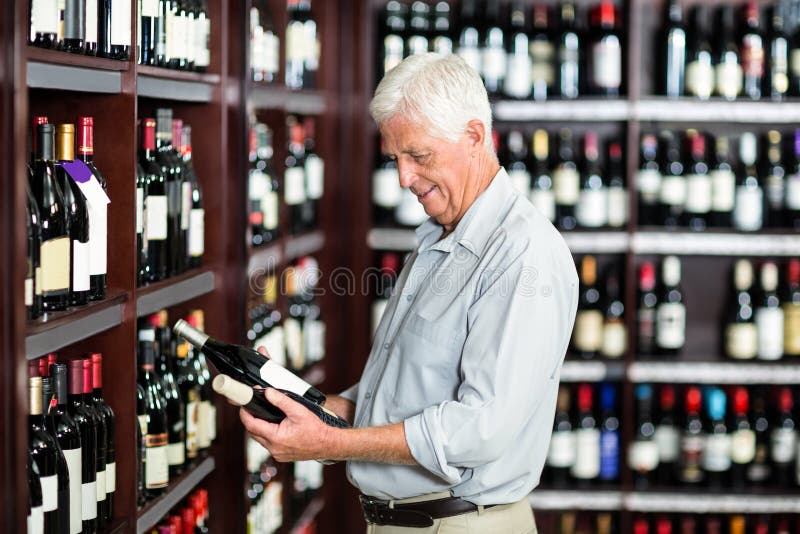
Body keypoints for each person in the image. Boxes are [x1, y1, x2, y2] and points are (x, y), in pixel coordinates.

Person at [240, 52, 578, 533]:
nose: (403, 179)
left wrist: (331, 445)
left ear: (474, 137)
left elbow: (479, 429)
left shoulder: (521, 254)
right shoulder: (437, 239)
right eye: (395, 159)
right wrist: (308, 403)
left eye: (418, 156)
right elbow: (404, 399)